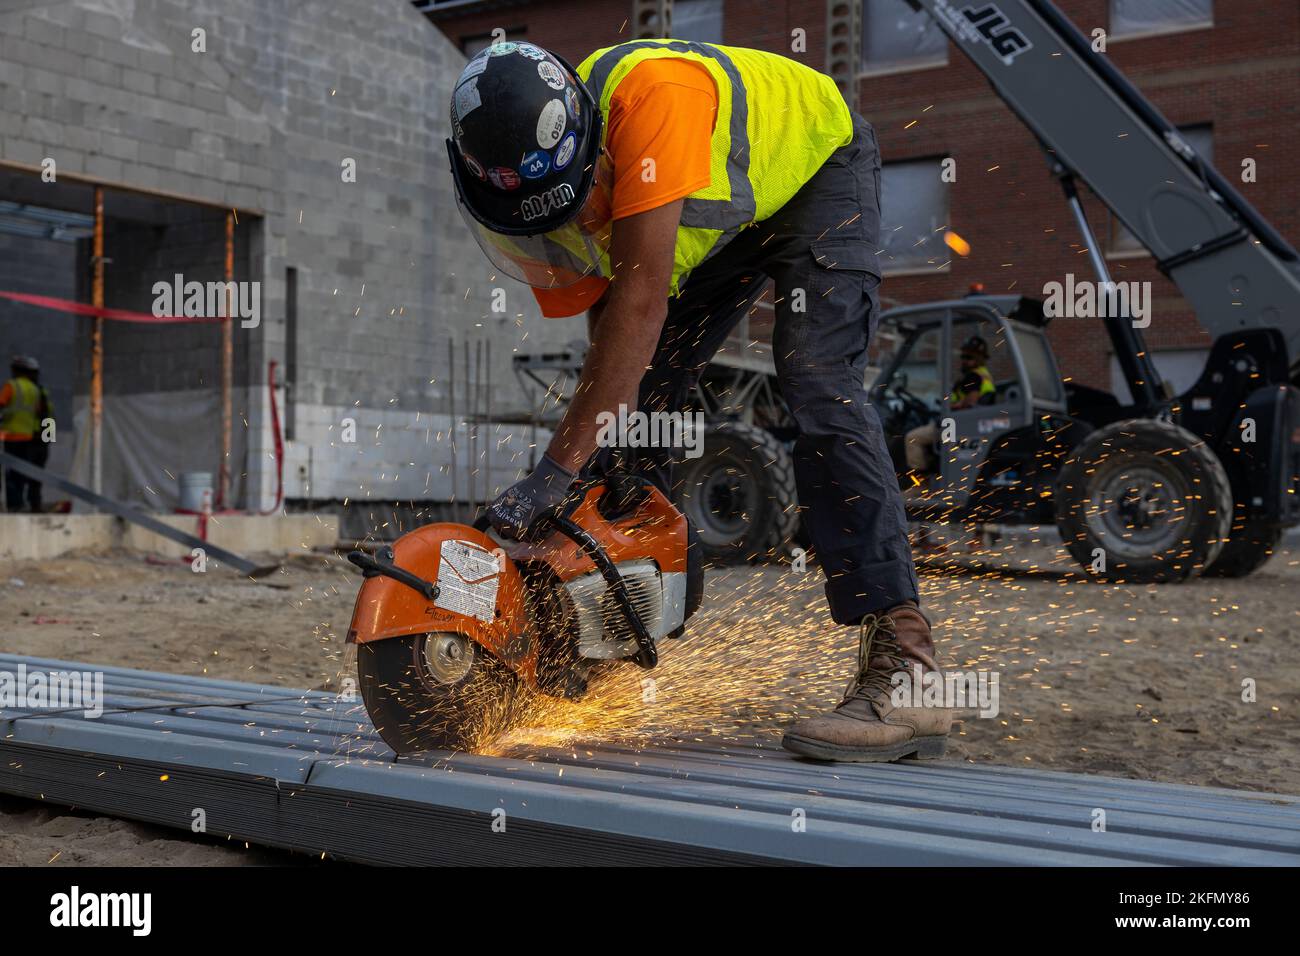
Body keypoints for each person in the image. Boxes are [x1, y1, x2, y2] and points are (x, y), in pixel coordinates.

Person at [449, 39, 950, 762]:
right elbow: (616, 360)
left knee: (817, 383)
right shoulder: (532, 174)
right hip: (729, 215)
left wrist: (550, 478)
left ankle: (910, 669)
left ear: (590, 144)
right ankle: (614, 635)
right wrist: (592, 468)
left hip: (818, 169)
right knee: (643, 398)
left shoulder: (653, 101)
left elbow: (641, 306)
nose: (583, 217)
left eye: (588, 196)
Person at [904, 335, 995, 475]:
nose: (964, 361)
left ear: (979, 358)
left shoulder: (973, 377)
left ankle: (920, 483)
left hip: (955, 425)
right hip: (961, 424)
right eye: (963, 357)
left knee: (912, 438)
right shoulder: (984, 375)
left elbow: (971, 402)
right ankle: (932, 474)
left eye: (969, 357)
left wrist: (950, 407)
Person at [0, 354, 53, 513]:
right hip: (35, 440)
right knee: (34, 475)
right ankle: (34, 504)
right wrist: (47, 440)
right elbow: (49, 415)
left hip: (13, 438)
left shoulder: (13, 386)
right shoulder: (40, 390)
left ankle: (15, 505)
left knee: (13, 475)